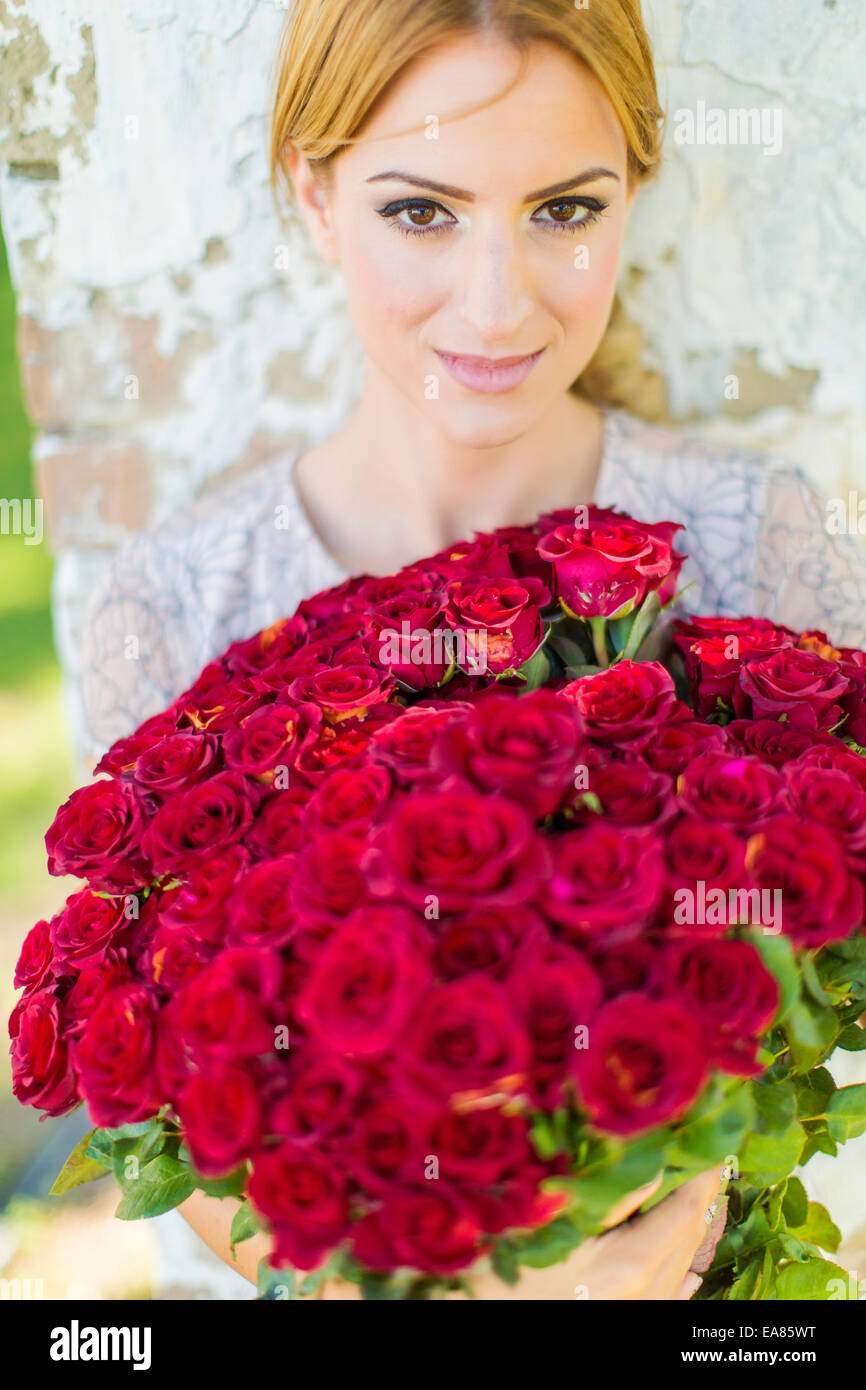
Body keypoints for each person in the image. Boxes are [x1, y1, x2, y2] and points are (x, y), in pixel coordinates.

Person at [79, 0, 866, 1299]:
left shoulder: (746, 532)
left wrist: (662, 1221)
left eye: (564, 209)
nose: (496, 309)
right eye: (419, 211)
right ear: (316, 197)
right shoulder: (174, 594)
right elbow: (157, 1133)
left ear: (632, 195)